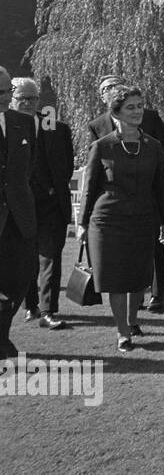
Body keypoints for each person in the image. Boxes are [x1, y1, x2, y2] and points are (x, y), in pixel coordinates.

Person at [78, 85, 164, 352]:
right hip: (107, 222)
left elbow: (159, 186)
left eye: (139, 106)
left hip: (143, 219)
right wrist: (82, 224)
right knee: (116, 278)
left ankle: (132, 321)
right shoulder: (102, 146)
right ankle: (123, 333)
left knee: (140, 277)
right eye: (130, 107)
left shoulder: (153, 146)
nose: (137, 111)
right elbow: (90, 187)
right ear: (116, 112)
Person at [88, 75, 164, 313]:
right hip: (115, 202)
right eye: (106, 89)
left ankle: (157, 294)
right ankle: (131, 307)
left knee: (154, 248)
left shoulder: (150, 117)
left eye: (115, 86)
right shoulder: (97, 125)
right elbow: (96, 168)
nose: (111, 90)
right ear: (103, 96)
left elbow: (160, 152)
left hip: (148, 193)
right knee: (122, 255)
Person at [11, 78, 74, 330]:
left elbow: (66, 167)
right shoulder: (5, 128)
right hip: (17, 206)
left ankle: (48, 310)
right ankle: (31, 305)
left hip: (50, 204)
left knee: (51, 258)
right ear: (12, 99)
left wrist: (51, 189)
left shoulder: (57, 129)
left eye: (32, 98)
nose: (27, 103)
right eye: (22, 98)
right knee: (26, 258)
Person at [0, 68, 38, 359]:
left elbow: (27, 170)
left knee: (18, 279)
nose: (3, 98)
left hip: (19, 218)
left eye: (5, 91)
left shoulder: (23, 124)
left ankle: (3, 333)